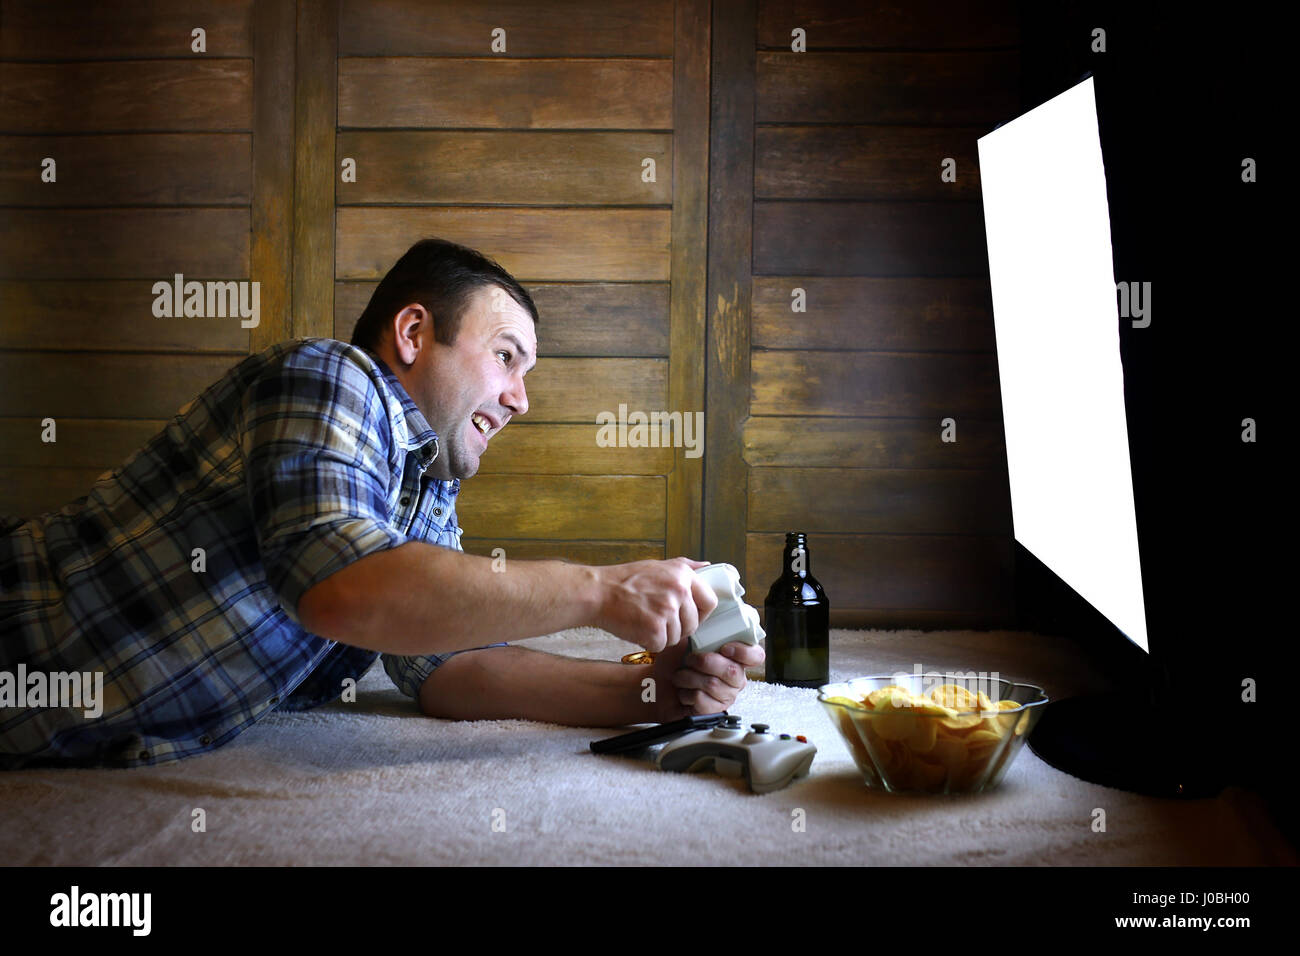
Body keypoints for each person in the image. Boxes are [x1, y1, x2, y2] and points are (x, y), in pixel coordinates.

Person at [0, 237, 763, 769]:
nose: (521, 399)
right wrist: (604, 590)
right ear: (411, 331)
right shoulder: (330, 375)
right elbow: (345, 590)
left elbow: (450, 669)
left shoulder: (427, 484)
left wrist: (652, 692)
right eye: (505, 356)